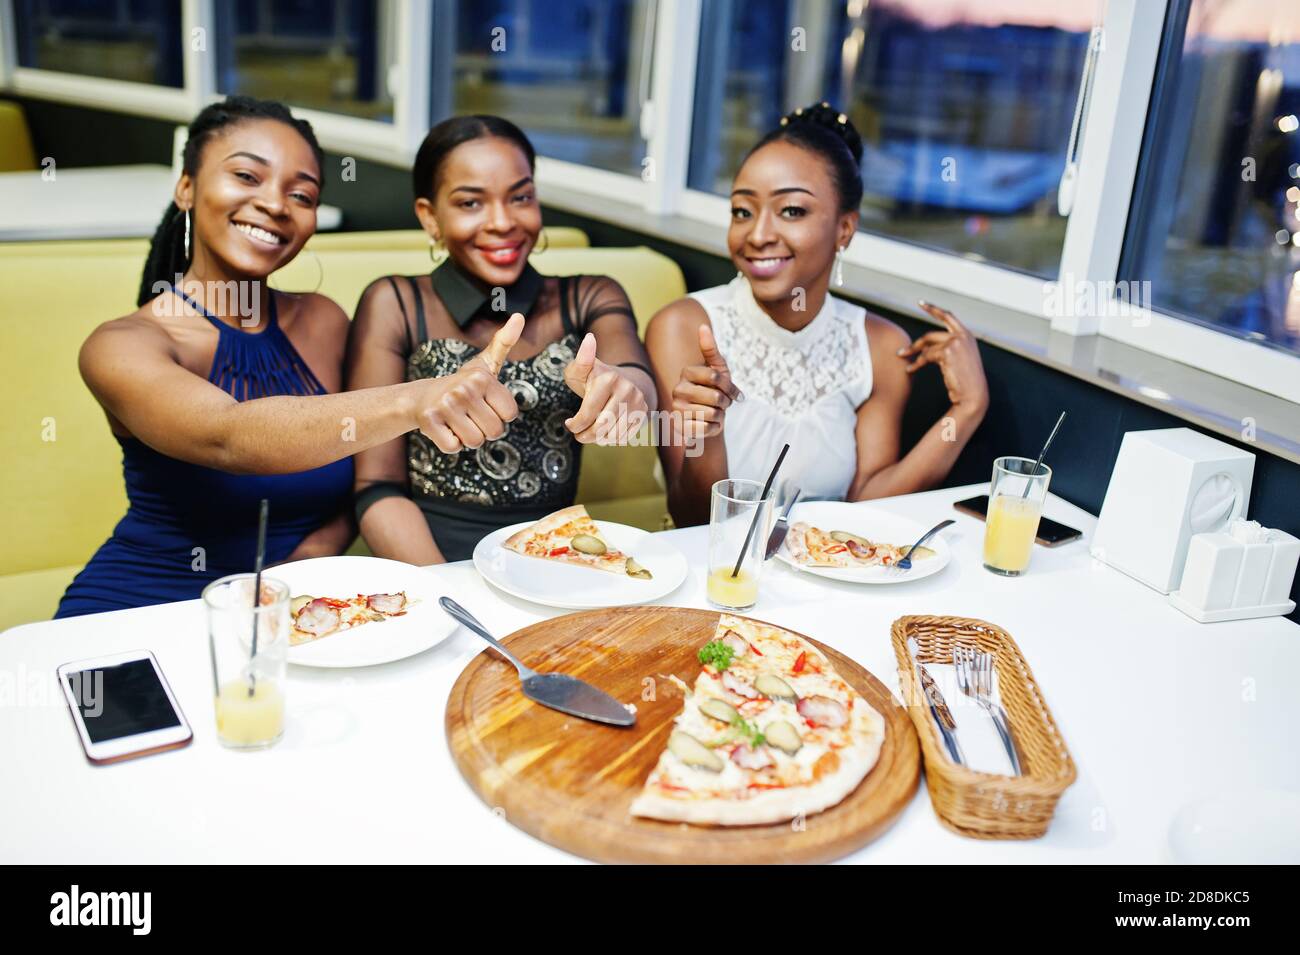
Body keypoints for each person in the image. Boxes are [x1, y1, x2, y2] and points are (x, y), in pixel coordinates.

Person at [57, 97, 522, 617]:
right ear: (186, 187)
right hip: (143, 606)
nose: (276, 204)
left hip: (296, 611)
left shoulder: (324, 323)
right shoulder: (123, 345)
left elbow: (362, 478)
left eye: (301, 194)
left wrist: (300, 568)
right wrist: (418, 398)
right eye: (247, 177)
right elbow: (229, 436)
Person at [646, 103, 989, 526]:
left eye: (791, 211)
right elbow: (692, 519)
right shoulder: (683, 328)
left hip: (827, 571)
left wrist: (968, 409)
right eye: (742, 211)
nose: (758, 235)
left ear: (844, 229)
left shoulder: (881, 347)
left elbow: (869, 505)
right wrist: (708, 434)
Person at [346, 115, 656, 562]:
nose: (502, 222)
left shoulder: (589, 294)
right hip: (427, 559)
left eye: (521, 197)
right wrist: (447, 589)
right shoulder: (394, 301)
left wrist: (623, 392)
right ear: (430, 217)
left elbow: (635, 377)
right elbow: (376, 486)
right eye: (471, 203)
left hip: (554, 559)